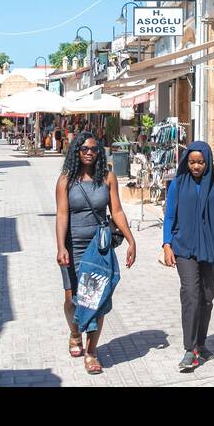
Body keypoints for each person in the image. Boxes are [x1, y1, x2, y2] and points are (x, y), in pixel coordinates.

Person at [56, 132, 136, 374]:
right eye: (83, 149)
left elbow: (118, 211)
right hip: (73, 247)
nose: (89, 152)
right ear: (76, 152)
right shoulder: (65, 180)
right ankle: (74, 333)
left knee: (96, 300)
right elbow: (61, 215)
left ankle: (91, 352)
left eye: (93, 148)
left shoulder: (108, 178)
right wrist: (60, 247)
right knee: (72, 300)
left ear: (99, 151)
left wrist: (131, 240)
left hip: (98, 248)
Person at [161, 141, 214, 372]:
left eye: (200, 162)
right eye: (192, 162)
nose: (196, 166)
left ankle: (200, 343)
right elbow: (170, 216)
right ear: (186, 162)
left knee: (206, 298)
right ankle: (189, 349)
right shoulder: (177, 184)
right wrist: (166, 244)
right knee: (191, 295)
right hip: (183, 248)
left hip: (212, 248)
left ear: (208, 162)